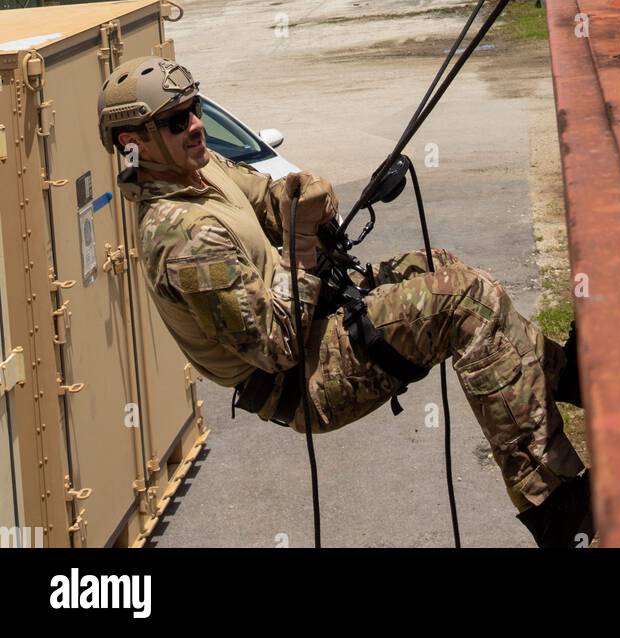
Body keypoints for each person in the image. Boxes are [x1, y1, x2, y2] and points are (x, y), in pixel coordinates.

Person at [98, 56, 590, 548]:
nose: (196, 126)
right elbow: (277, 346)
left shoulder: (202, 173)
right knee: (462, 300)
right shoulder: (182, 237)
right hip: (303, 380)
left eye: (195, 108)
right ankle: (558, 509)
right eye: (175, 120)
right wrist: (302, 245)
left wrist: (307, 193)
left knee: (437, 266)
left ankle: (567, 375)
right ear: (132, 142)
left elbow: (271, 199)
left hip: (317, 318)